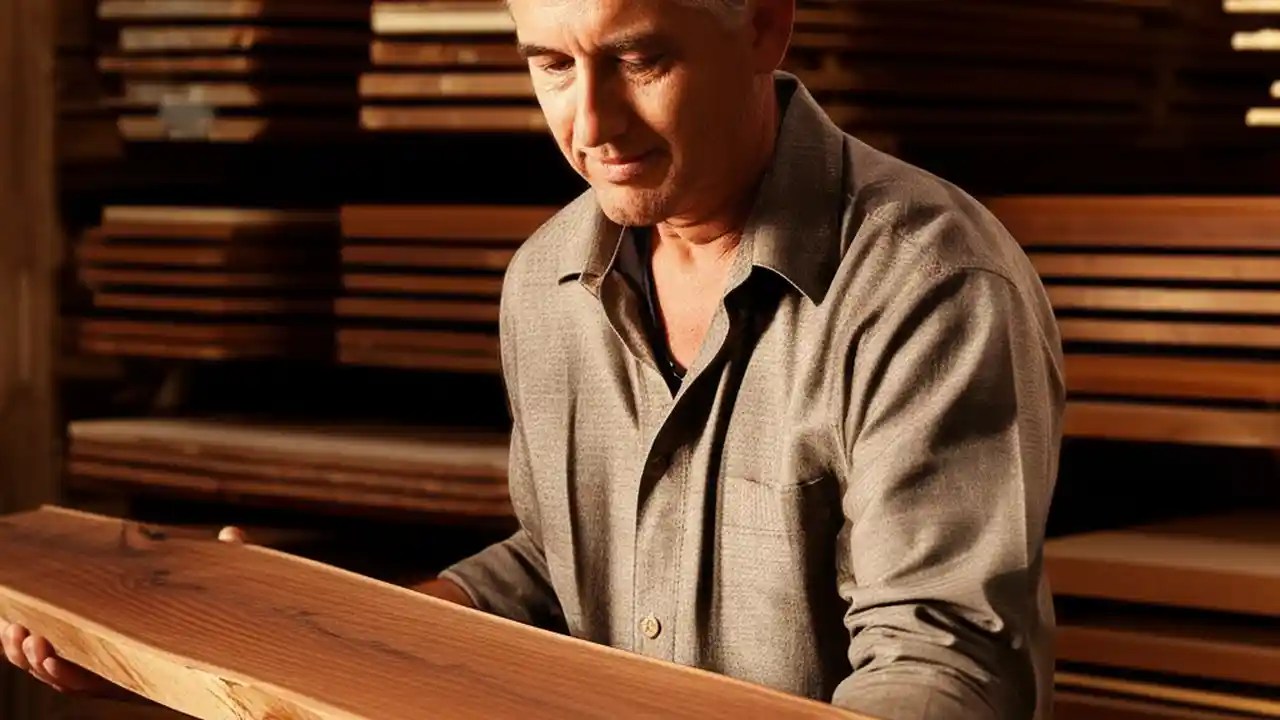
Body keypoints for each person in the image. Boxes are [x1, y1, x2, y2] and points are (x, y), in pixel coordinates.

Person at [3, 0, 1065, 717]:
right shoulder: (548, 277)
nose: (590, 124)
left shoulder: (926, 282)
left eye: (637, 59)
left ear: (765, 29)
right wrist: (285, 639)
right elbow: (569, 565)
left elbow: (943, 669)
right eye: (550, 66)